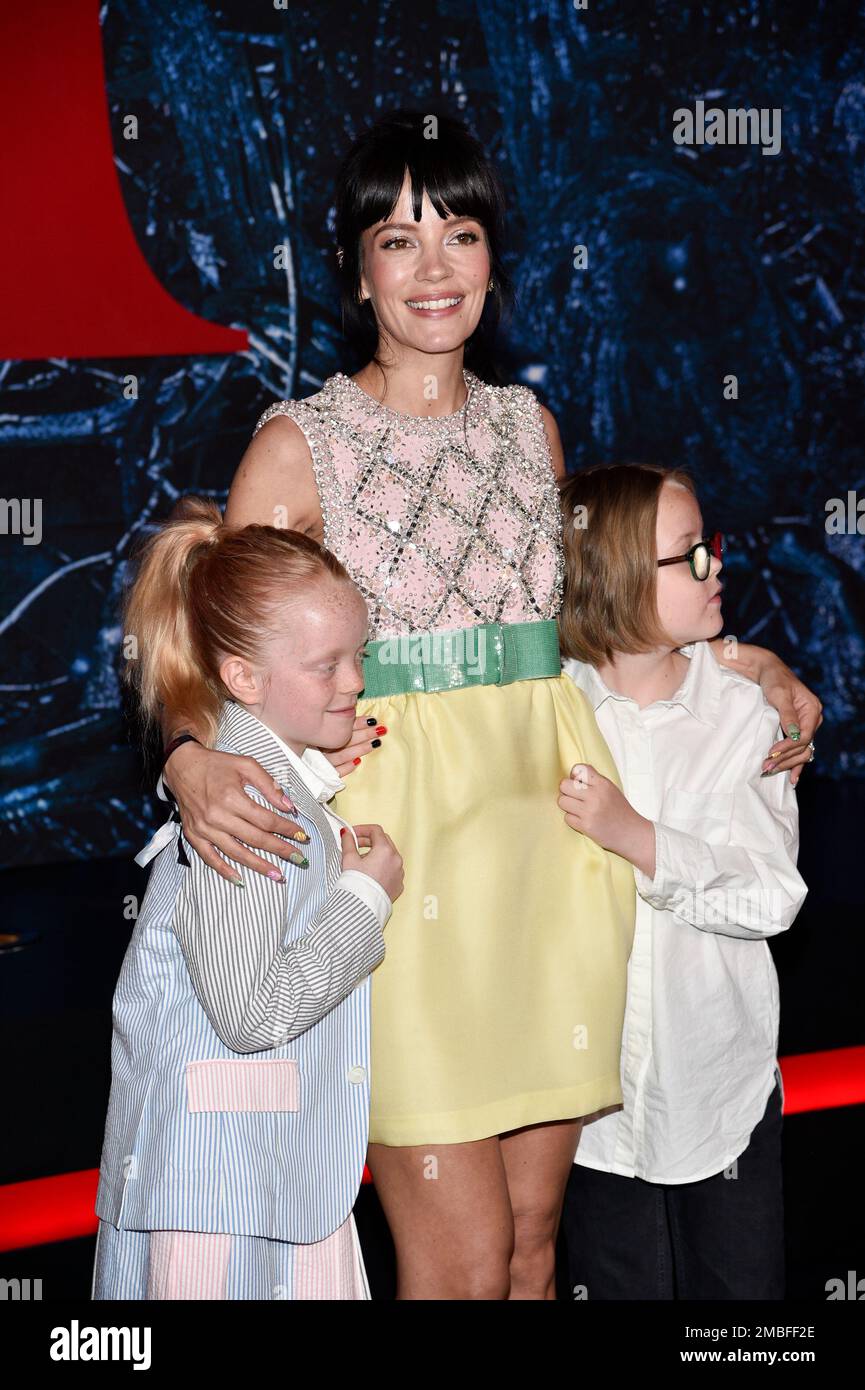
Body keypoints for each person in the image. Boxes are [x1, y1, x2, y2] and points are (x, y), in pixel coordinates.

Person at [155, 110, 821, 1300]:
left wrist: (746, 663)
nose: (433, 268)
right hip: (402, 879)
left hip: (552, 865)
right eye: (398, 240)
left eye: (458, 234)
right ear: (356, 268)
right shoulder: (299, 446)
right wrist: (185, 756)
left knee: (529, 1243)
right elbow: (217, 655)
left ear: (492, 257)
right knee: (457, 1263)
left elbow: (597, 628)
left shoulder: (528, 429)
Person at [92, 497, 402, 1300]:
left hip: (256, 1180)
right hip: (221, 1192)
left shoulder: (260, 783)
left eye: (359, 655)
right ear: (240, 677)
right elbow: (250, 1012)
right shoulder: (247, 806)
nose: (355, 681)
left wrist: (313, 781)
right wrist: (365, 898)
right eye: (326, 665)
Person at [555, 462, 808, 1299]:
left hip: (718, 1093)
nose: (716, 566)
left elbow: (771, 895)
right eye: (690, 553)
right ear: (615, 575)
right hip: (591, 1107)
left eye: (711, 545)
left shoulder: (746, 717)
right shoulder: (549, 713)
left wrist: (641, 841)